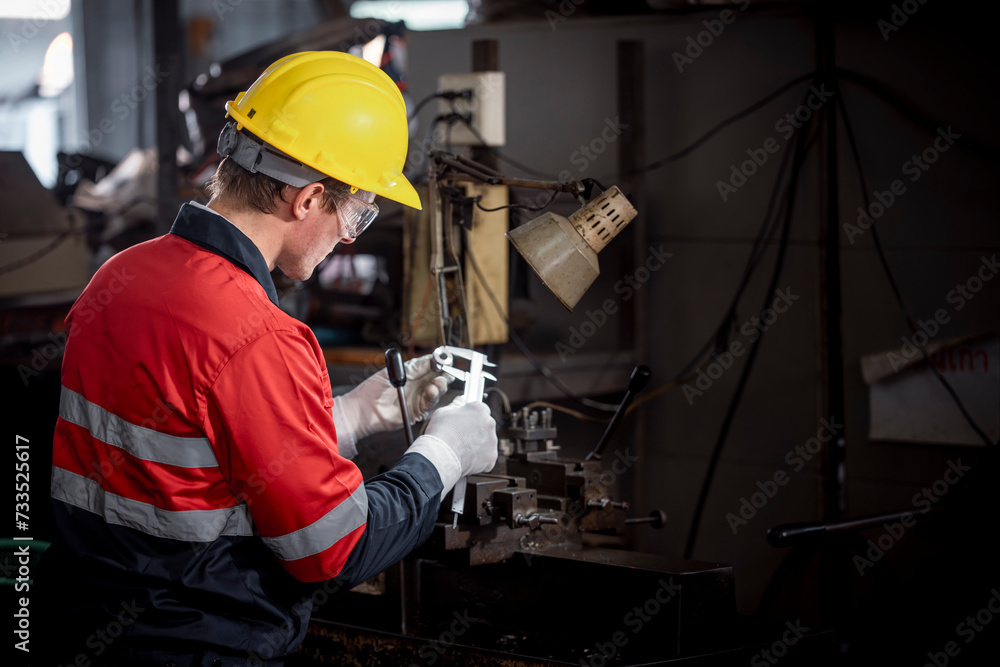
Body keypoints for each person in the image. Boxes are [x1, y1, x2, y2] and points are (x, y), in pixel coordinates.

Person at [36, 51, 498, 666]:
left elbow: (186, 460)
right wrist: (444, 455)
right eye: (356, 211)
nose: (351, 235)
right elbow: (333, 548)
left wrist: (351, 418)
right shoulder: (259, 335)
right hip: (197, 647)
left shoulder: (118, 278)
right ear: (308, 199)